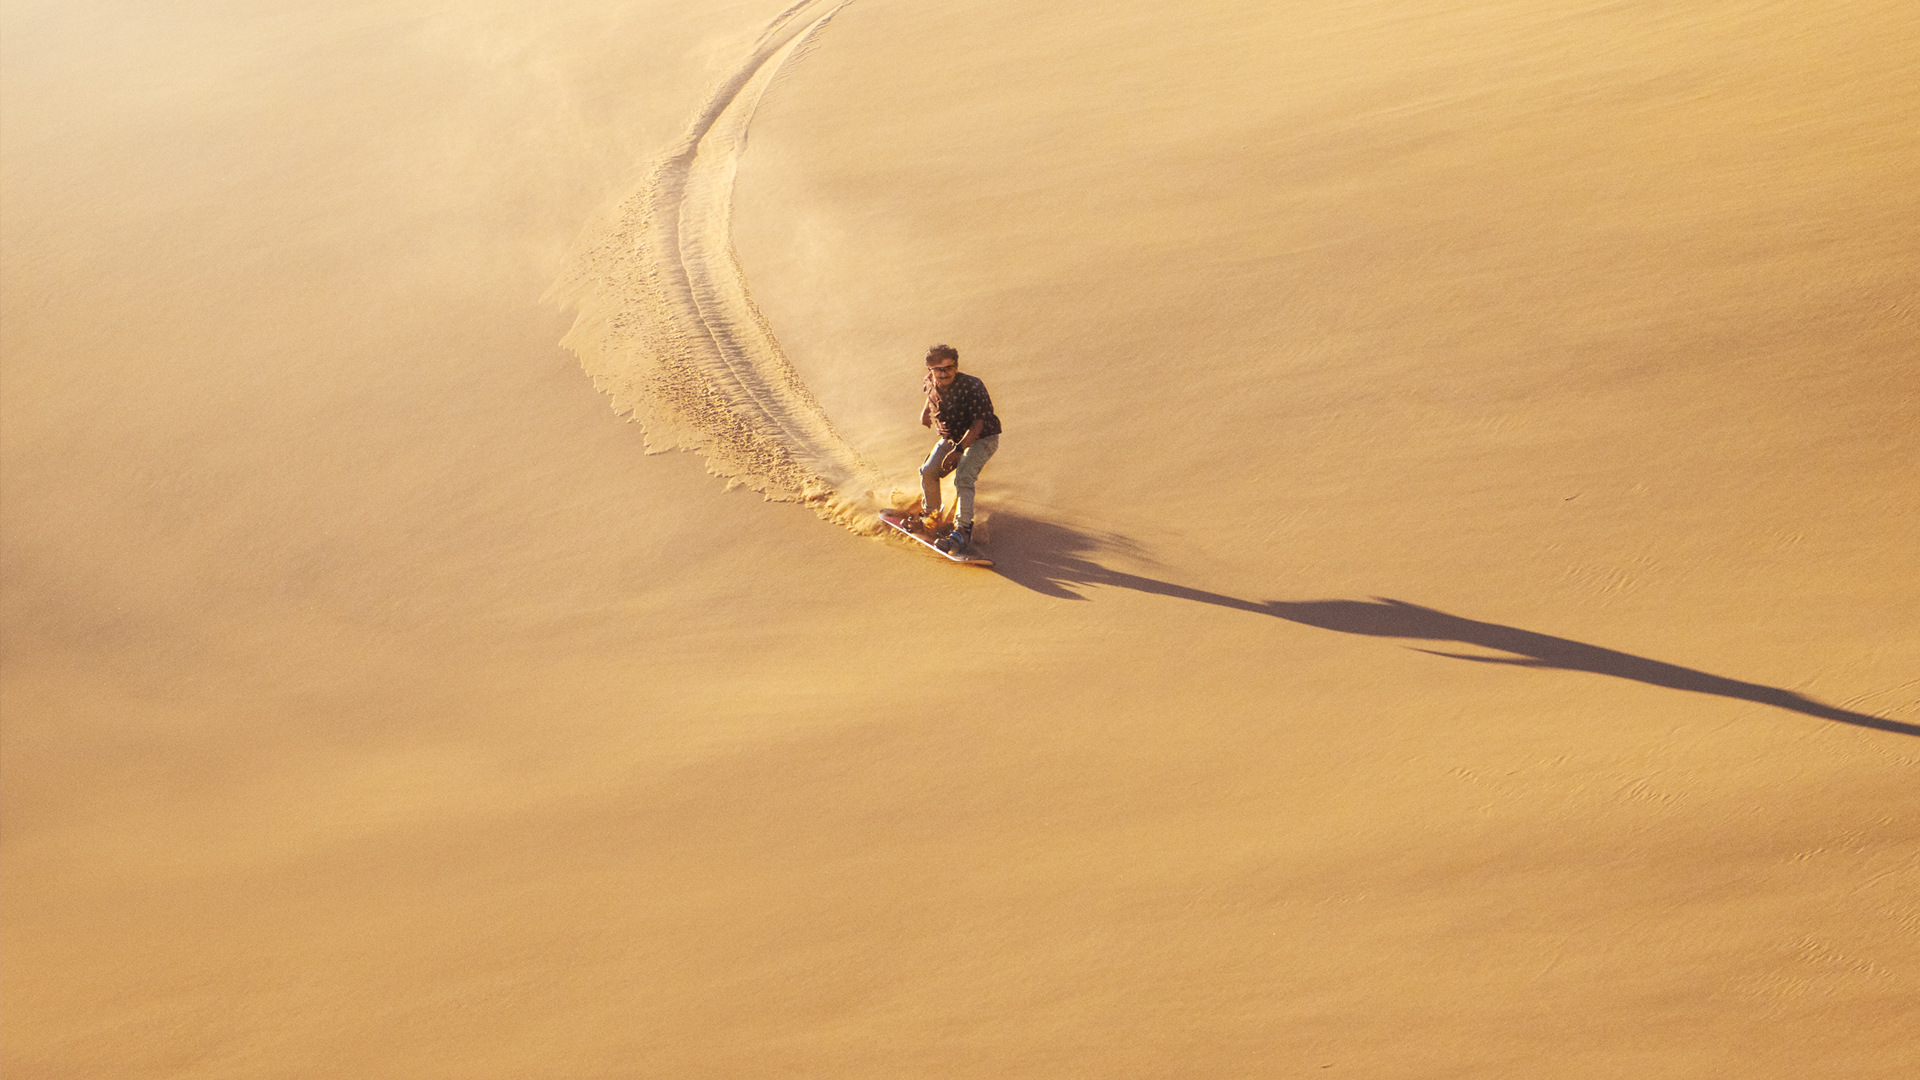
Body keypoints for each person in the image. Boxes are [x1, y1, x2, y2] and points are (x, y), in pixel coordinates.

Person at [908, 343, 1001, 553]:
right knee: (929, 471)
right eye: (938, 369)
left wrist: (959, 450)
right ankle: (931, 516)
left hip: (982, 438)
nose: (944, 373)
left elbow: (978, 425)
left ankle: (962, 531)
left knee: (964, 477)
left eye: (949, 368)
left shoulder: (972, 387)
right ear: (930, 370)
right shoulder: (930, 381)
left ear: (956, 367)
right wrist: (925, 412)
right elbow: (931, 394)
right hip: (951, 436)